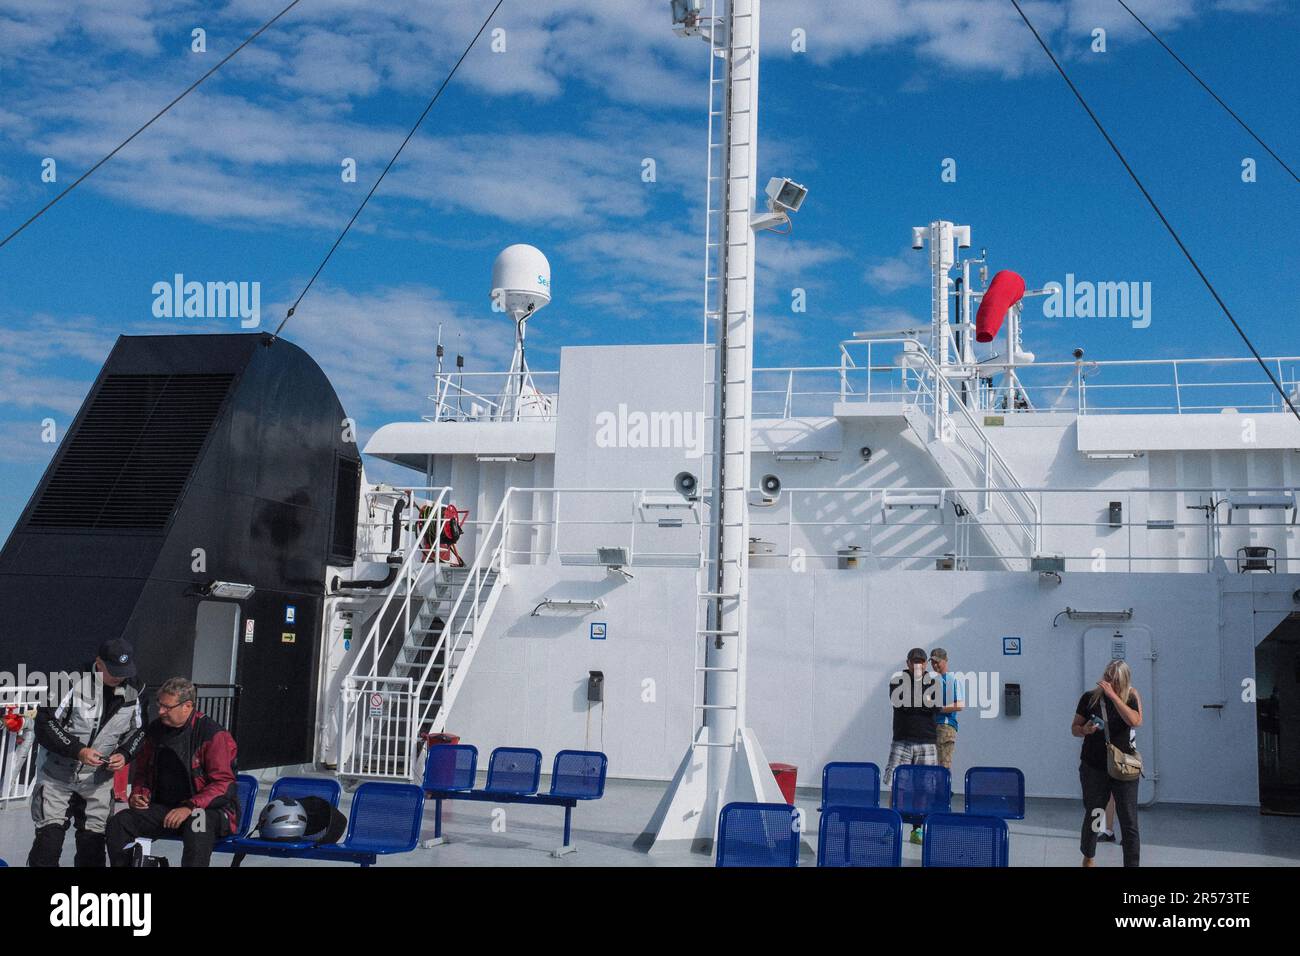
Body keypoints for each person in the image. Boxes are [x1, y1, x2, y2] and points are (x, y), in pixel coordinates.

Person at [28, 639, 147, 867]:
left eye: (124, 671)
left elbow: (140, 730)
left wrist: (124, 753)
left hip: (98, 780)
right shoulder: (69, 680)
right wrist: (78, 750)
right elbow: (45, 723)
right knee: (49, 841)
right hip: (56, 776)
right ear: (99, 663)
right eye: (114, 671)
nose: (119, 677)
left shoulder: (136, 689)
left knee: (92, 845)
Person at [106, 677, 239, 868]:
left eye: (167, 707)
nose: (160, 712)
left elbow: (224, 785)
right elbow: (142, 772)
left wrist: (189, 806)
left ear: (187, 706)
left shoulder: (213, 734)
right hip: (167, 810)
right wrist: (139, 794)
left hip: (208, 811)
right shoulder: (154, 731)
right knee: (121, 822)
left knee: (197, 824)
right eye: (160, 705)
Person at [1072, 659, 1142, 868]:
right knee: (1094, 813)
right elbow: (1074, 728)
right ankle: (1089, 856)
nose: (1109, 681)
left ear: (1124, 680)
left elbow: (1135, 721)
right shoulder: (1089, 699)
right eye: (1107, 676)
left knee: (1129, 821)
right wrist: (1085, 729)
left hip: (1123, 767)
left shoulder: (1131, 696)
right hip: (1094, 766)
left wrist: (1114, 697)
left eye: (1114, 679)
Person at [884, 647, 940, 844]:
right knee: (897, 786)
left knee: (924, 788)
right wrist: (924, 701)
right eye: (914, 661)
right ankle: (893, 827)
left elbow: (936, 706)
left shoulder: (933, 681)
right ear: (907, 663)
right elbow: (901, 704)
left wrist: (919, 702)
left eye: (921, 661)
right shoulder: (897, 681)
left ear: (925, 663)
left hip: (927, 741)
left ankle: (918, 829)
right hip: (902, 740)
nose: (918, 665)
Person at [930, 647, 964, 770]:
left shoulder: (952, 680)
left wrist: (939, 709)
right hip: (931, 727)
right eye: (932, 662)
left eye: (937, 661)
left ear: (945, 660)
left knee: (943, 766)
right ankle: (934, 789)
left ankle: (943, 789)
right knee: (931, 765)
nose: (934, 665)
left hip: (945, 726)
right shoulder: (932, 682)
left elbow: (959, 705)